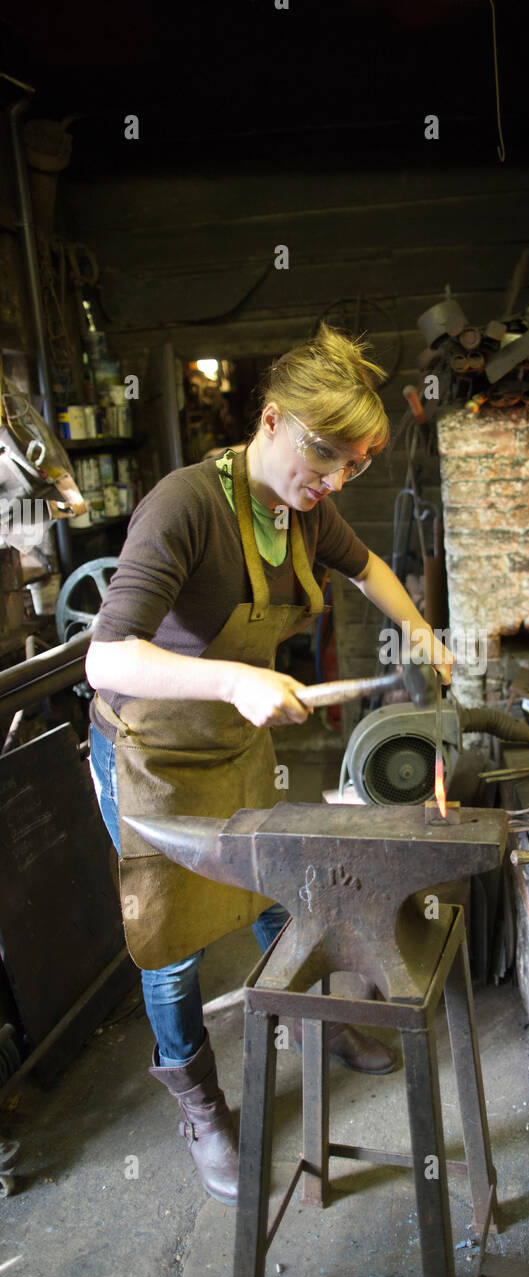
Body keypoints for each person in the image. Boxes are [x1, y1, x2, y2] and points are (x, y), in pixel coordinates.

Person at [85, 324, 452, 1205]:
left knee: (274, 893)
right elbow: (106, 656)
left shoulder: (304, 509)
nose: (332, 481)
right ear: (274, 418)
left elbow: (365, 568)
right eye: (325, 457)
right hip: (154, 756)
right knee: (170, 946)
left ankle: (311, 1023)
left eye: (354, 467)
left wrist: (423, 633)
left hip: (232, 746)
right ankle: (201, 1103)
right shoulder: (183, 506)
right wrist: (236, 678)